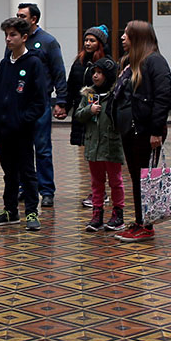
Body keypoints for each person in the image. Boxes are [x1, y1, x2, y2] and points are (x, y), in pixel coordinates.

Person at [108, 20, 171, 244]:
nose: (122, 38)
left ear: (139, 38)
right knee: (137, 178)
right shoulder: (130, 63)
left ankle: (146, 226)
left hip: (146, 132)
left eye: (127, 34)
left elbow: (163, 98)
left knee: (145, 179)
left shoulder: (155, 61)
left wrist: (156, 131)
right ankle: (140, 220)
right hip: (131, 131)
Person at [0, 17, 47, 231]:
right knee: (8, 172)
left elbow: (39, 101)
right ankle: (10, 211)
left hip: (22, 130)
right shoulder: (4, 64)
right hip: (3, 130)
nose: (8, 39)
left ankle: (31, 211)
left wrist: (22, 120)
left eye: (13, 35)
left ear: (24, 37)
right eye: (6, 35)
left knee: (27, 171)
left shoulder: (33, 63)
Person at [16, 3, 66, 207]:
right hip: (20, 103)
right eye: (17, 15)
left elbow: (59, 72)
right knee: (21, 147)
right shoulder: (16, 41)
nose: (18, 18)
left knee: (43, 148)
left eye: (22, 16)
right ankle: (25, 187)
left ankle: (46, 191)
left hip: (41, 102)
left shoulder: (48, 42)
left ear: (34, 19)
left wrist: (61, 101)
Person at [75, 57, 126, 233]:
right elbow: (79, 114)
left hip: (111, 145)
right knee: (96, 182)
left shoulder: (115, 94)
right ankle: (97, 214)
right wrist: (90, 110)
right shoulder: (90, 95)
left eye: (99, 73)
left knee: (115, 181)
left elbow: (123, 116)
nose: (95, 76)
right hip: (93, 146)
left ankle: (118, 214)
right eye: (94, 73)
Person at [64, 25, 110, 206]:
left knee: (98, 153)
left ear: (100, 43)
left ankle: (100, 193)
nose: (88, 43)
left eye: (92, 40)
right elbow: (71, 85)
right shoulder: (79, 62)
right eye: (86, 40)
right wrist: (64, 106)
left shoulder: (106, 62)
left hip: (98, 113)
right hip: (82, 112)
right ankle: (96, 191)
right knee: (89, 153)